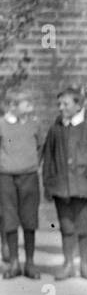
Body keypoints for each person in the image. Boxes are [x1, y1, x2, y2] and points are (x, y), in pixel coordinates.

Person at [40, 86, 87, 281]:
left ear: (78, 106)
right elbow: (49, 159)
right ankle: (68, 263)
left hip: (84, 189)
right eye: (59, 104)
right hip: (62, 189)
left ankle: (84, 265)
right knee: (66, 227)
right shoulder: (56, 129)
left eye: (65, 104)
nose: (61, 108)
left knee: (84, 228)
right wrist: (48, 184)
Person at [0, 88, 43, 279]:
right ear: (12, 106)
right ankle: (14, 263)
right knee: (9, 219)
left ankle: (30, 263)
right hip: (6, 178)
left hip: (29, 177)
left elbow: (40, 147)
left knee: (29, 219)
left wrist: (32, 165)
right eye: (27, 104)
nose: (31, 106)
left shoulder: (34, 125)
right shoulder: (1, 125)